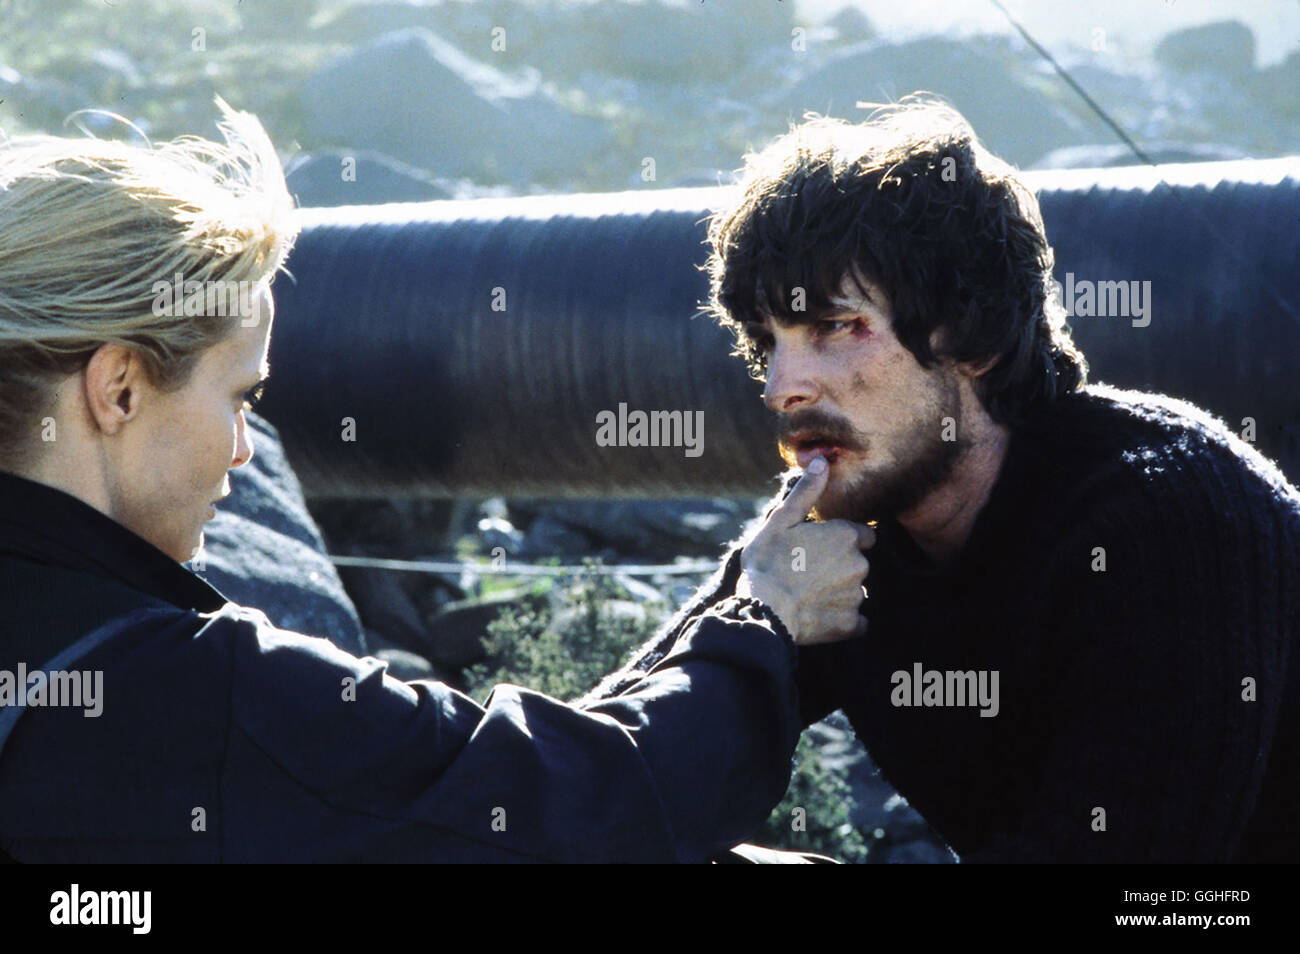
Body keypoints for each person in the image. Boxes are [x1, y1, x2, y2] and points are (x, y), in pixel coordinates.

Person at [0, 100, 874, 863]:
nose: (244, 452)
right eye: (239, 398)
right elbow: (579, 808)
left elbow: (474, 812)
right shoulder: (203, 696)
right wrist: (766, 615)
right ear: (118, 389)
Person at [586, 97, 1300, 863]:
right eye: (769, 340)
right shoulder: (829, 535)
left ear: (972, 337)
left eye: (836, 327)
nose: (781, 388)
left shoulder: (1163, 513)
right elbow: (593, 776)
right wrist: (758, 617)